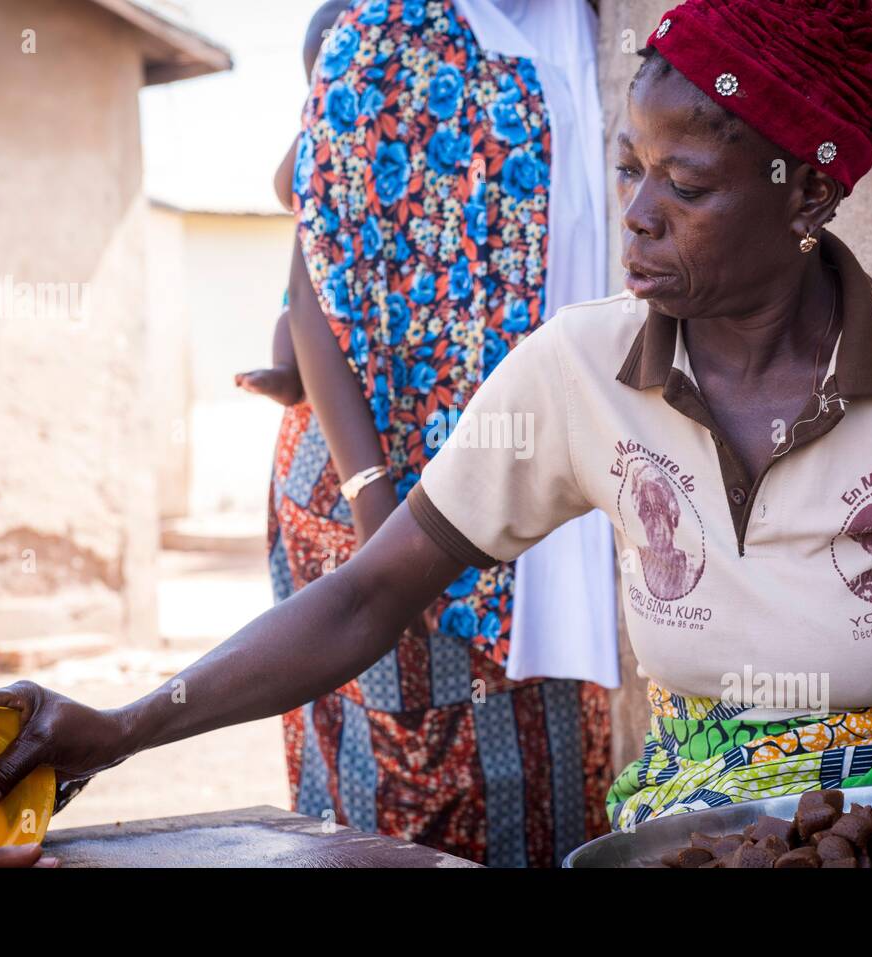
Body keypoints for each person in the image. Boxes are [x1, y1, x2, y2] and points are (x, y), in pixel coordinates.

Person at [0, 0, 872, 856]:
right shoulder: (581, 373)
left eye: (686, 186)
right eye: (627, 170)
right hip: (702, 821)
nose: (638, 218)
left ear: (808, 193)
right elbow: (365, 596)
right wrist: (124, 729)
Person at [238, 0, 616, 866]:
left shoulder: (587, 28)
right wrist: (376, 505)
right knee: (387, 800)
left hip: (536, 501)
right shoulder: (369, 28)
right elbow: (316, 275)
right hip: (371, 472)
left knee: (543, 777)